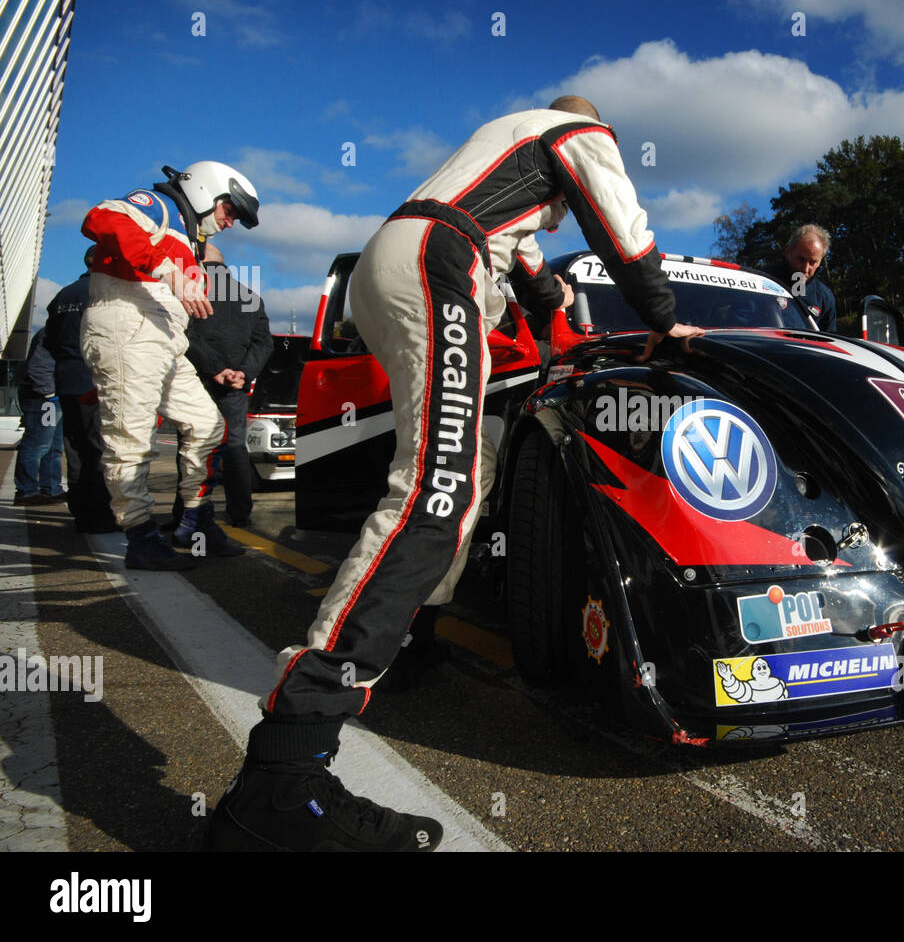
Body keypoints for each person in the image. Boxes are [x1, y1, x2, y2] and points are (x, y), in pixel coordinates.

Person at [205, 96, 705, 852]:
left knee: (459, 478)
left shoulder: (504, 169)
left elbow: (538, 285)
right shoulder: (576, 130)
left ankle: (400, 641)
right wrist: (664, 318)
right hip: (437, 262)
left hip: (401, 261)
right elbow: (623, 232)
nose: (556, 224)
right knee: (437, 492)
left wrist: (570, 322)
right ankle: (285, 769)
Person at [79, 161, 259, 570]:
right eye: (230, 210)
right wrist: (169, 272)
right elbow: (101, 218)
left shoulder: (190, 237)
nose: (230, 222)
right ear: (207, 192)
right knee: (132, 438)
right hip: (128, 324)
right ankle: (141, 538)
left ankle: (194, 524)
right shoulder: (159, 206)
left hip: (163, 339)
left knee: (208, 425)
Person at [168, 242, 272, 529]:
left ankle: (184, 513)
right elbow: (264, 342)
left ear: (199, 263)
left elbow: (184, 335)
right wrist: (243, 373)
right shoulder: (250, 296)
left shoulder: (191, 291)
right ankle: (240, 512)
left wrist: (215, 369)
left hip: (196, 379)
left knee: (190, 443)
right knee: (235, 445)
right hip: (234, 386)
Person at [43, 247, 117, 532]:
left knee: (75, 447)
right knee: (99, 448)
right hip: (95, 380)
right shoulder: (105, 294)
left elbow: (49, 340)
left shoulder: (63, 295)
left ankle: (81, 509)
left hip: (67, 379)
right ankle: (100, 514)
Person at [12, 328, 63, 505]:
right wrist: (50, 394)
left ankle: (51, 489)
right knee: (38, 444)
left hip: (51, 396)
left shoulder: (58, 330)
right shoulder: (52, 332)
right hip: (43, 397)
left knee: (54, 446)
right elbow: (38, 367)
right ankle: (27, 491)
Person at [767, 224, 838, 334]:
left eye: (813, 262)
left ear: (821, 261)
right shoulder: (763, 280)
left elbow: (830, 338)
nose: (805, 268)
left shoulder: (824, 297)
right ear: (788, 252)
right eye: (801, 259)